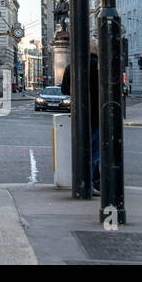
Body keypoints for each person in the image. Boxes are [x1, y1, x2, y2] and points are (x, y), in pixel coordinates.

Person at [61, 47, 102, 192]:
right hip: (98, 114)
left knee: (83, 149)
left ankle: (85, 182)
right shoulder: (101, 65)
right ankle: (95, 182)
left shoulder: (72, 66)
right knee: (96, 151)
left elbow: (64, 90)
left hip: (79, 114)